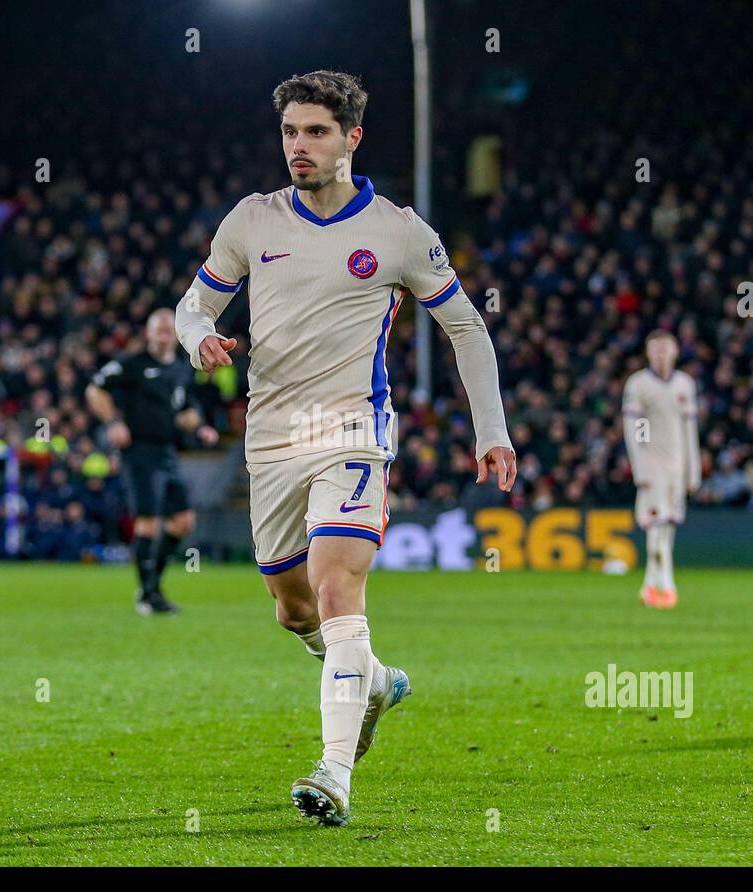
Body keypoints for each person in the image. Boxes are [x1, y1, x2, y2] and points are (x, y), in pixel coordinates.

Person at [173, 70, 515, 826]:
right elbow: (192, 302)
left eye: (316, 132)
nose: (299, 145)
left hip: (353, 433)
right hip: (270, 440)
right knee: (295, 614)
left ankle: (333, 774)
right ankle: (376, 680)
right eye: (291, 131)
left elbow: (466, 326)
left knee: (336, 591)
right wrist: (199, 336)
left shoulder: (398, 232)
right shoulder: (253, 221)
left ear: (352, 138)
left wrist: (490, 428)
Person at [86, 308, 218, 615]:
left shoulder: (181, 369)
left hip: (167, 452)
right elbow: (95, 389)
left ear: (175, 334)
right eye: (157, 330)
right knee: (148, 522)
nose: (162, 335)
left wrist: (201, 428)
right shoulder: (132, 364)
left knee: (183, 521)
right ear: (148, 333)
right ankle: (148, 595)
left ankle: (152, 587)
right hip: (139, 453)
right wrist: (113, 422)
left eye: (167, 330)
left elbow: (182, 407)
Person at [621, 330, 701, 609]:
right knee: (656, 525)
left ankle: (649, 587)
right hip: (652, 464)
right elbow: (633, 428)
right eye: (655, 349)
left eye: (665, 349)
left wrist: (694, 469)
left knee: (668, 527)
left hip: (677, 467)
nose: (661, 354)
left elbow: (689, 430)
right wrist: (639, 464)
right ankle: (667, 586)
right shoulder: (638, 384)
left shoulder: (685, 384)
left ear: (676, 352)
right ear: (647, 353)